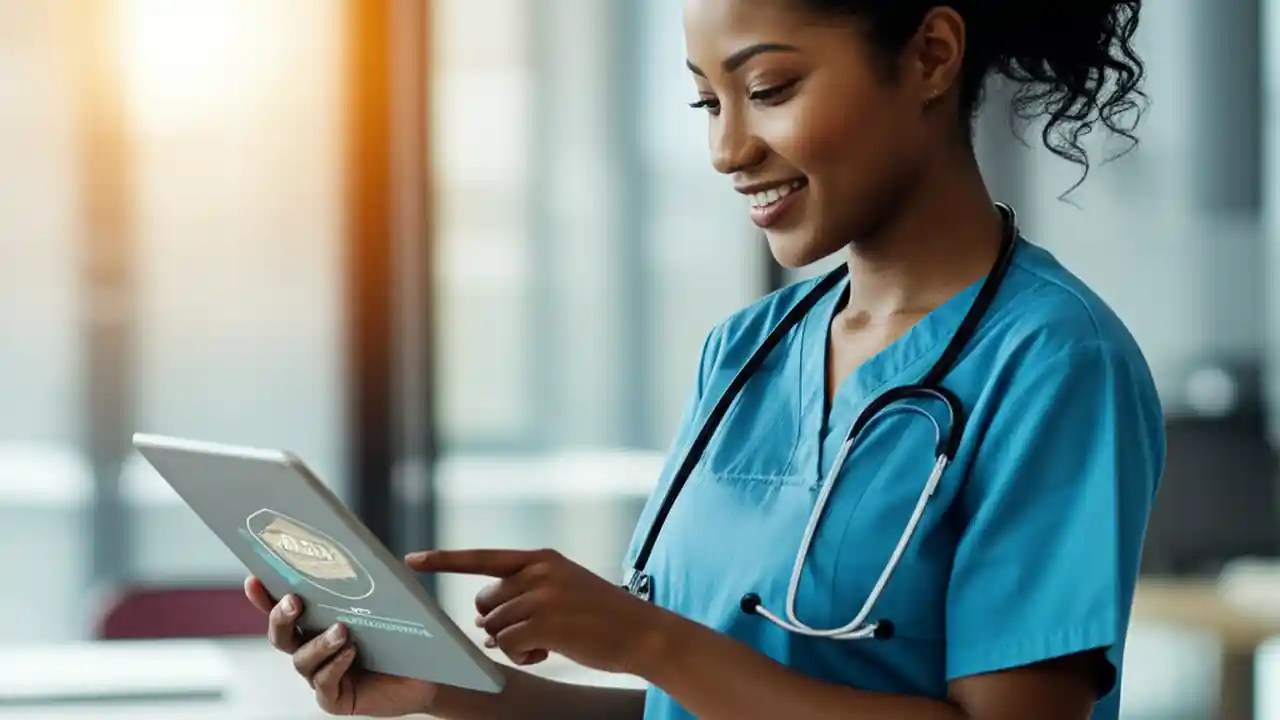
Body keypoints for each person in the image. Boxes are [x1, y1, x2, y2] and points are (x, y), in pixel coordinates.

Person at [245, 0, 1163, 717]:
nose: (727, 148)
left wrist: (648, 641)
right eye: (705, 101)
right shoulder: (746, 351)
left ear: (930, 56)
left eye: (768, 90)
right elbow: (685, 711)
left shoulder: (1053, 363)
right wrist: (447, 690)